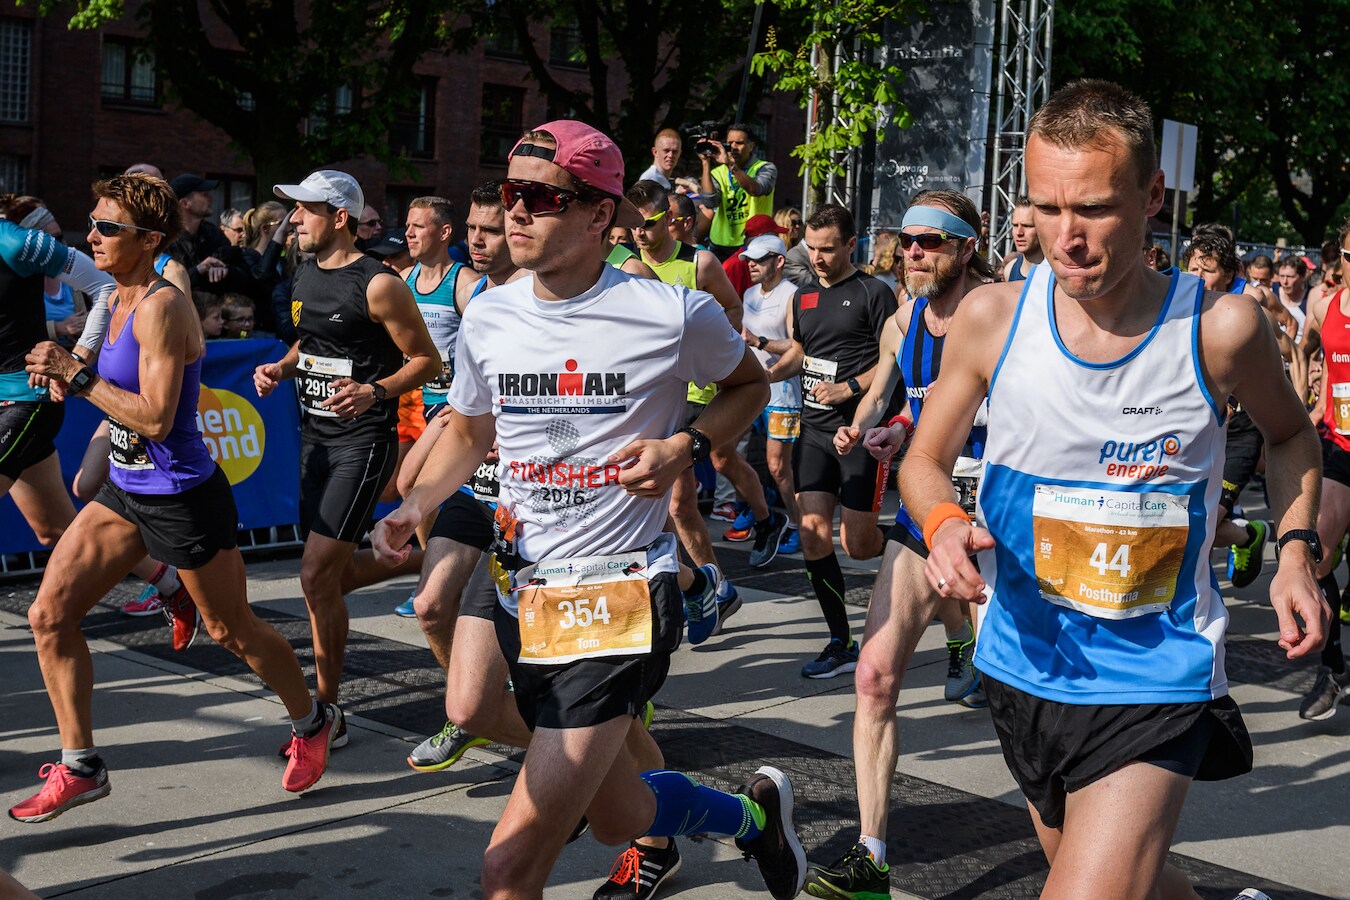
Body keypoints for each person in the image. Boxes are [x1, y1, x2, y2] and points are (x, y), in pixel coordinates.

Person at [902, 79, 1325, 899]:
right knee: (1099, 875)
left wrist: (1297, 553)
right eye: (1047, 209)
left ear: (1152, 196)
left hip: (1153, 675)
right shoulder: (994, 318)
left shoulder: (1218, 328)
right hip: (1022, 661)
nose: (1068, 239)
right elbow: (923, 460)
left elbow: (1289, 435)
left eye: (1093, 209)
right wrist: (945, 522)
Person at [370, 117, 804, 900]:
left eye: (539, 197)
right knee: (620, 815)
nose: (515, 215)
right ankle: (751, 818)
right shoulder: (492, 315)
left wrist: (687, 446)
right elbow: (471, 432)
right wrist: (418, 502)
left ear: (600, 214)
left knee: (508, 869)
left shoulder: (670, 313)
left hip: (617, 594)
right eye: (510, 195)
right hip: (520, 585)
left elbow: (749, 383)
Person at [12, 173, 339, 824]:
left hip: (182, 495)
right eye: (93, 223)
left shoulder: (164, 306)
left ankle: (312, 719)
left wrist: (76, 378)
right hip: (126, 491)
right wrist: (61, 369)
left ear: (149, 240)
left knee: (231, 630)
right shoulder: (113, 296)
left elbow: (158, 419)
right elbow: (97, 370)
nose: (93, 237)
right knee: (48, 617)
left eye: (109, 228)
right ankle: (81, 765)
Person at [804, 190, 996, 898]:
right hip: (926, 515)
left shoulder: (1006, 315)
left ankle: (1086, 860)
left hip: (999, 525)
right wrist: (893, 431)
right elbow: (920, 406)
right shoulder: (910, 318)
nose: (913, 253)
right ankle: (871, 857)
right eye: (906, 241)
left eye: (931, 242)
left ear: (967, 246)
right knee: (875, 675)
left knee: (1024, 709)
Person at [253, 169, 439, 729]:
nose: (293, 219)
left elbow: (427, 361)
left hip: (362, 442)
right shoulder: (305, 271)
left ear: (339, 217)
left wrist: (373, 391)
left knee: (314, 577)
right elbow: (312, 340)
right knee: (327, 578)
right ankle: (428, 557)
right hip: (316, 440)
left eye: (305, 209)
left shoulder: (379, 283)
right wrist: (282, 369)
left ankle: (326, 708)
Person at [767, 204, 897, 677]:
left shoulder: (873, 292)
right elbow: (802, 352)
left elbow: (892, 362)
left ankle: (914, 550)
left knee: (859, 544)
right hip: (815, 431)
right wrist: (762, 375)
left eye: (827, 249)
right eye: (811, 249)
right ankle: (841, 642)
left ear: (849, 245)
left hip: (860, 432)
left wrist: (851, 387)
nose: (818, 258)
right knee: (812, 533)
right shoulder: (800, 297)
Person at [1293, 219, 1350, 720]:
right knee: (1319, 558)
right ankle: (1334, 672)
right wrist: (1311, 399)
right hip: (1338, 445)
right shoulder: (1322, 303)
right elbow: (1308, 348)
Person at [738, 234, 804, 559]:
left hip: (783, 391)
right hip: (751, 389)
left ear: (779, 261)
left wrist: (760, 342)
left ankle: (796, 524)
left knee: (779, 467)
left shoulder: (793, 295)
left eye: (759, 259)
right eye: (749, 259)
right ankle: (761, 511)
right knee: (740, 456)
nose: (751, 265)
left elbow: (798, 347)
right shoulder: (749, 292)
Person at [699, 124, 777, 260]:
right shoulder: (717, 172)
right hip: (721, 244)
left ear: (751, 146)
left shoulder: (765, 168)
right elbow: (710, 202)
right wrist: (706, 163)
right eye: (729, 143)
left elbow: (756, 189)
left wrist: (730, 165)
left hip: (754, 242)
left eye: (739, 143)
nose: (733, 147)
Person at [1000, 195, 1043, 282]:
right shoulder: (1010, 270)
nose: (1019, 233)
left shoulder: (1058, 272)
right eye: (1015, 225)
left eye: (1027, 226)